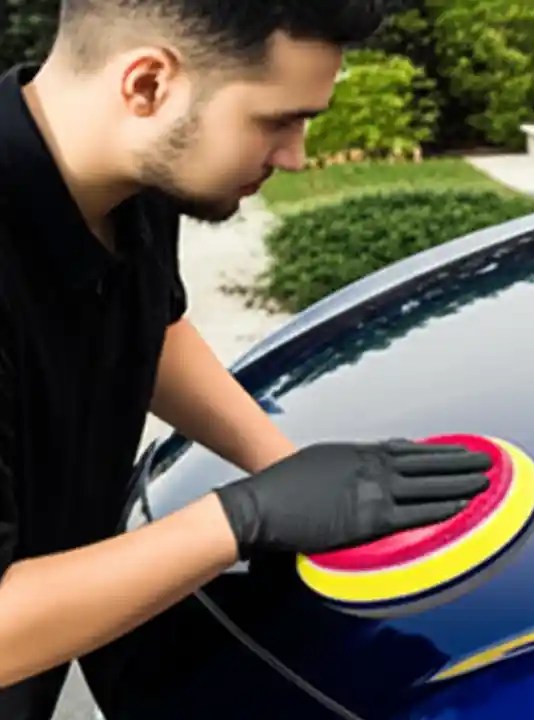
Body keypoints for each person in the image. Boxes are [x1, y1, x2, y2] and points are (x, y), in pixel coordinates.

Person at [0, 1, 494, 717]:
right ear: (147, 85)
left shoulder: (133, 178)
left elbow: (149, 325)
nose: (296, 157)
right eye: (276, 121)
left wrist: (286, 467)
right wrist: (243, 517)